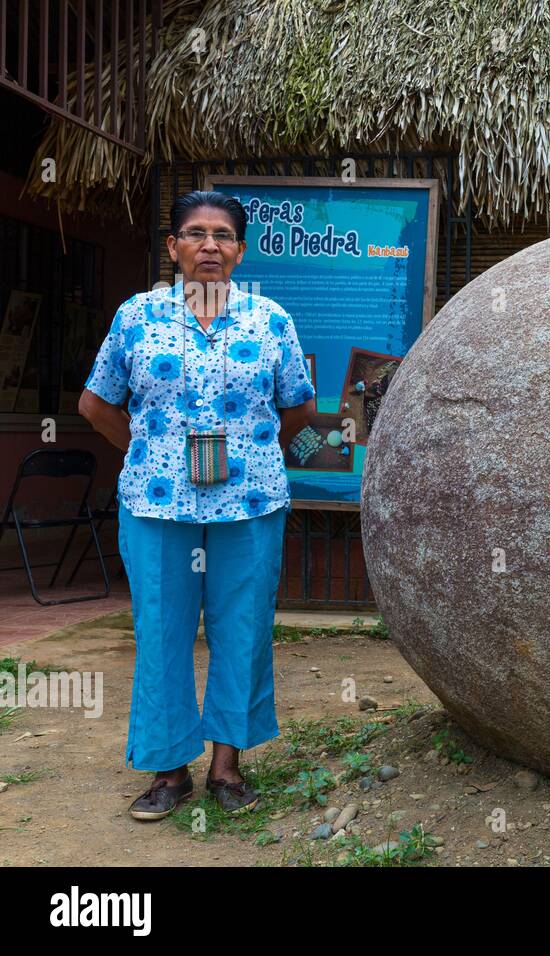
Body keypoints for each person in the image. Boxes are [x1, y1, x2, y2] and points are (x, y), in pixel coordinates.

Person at [79, 190, 317, 820]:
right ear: (173, 247)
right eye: (195, 233)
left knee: (242, 630)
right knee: (162, 633)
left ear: (240, 249)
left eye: (222, 234)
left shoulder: (270, 320)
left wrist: (253, 451)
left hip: (251, 502)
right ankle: (167, 773)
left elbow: (299, 405)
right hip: (157, 508)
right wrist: (147, 450)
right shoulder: (137, 317)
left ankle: (227, 768)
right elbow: (96, 404)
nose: (209, 244)